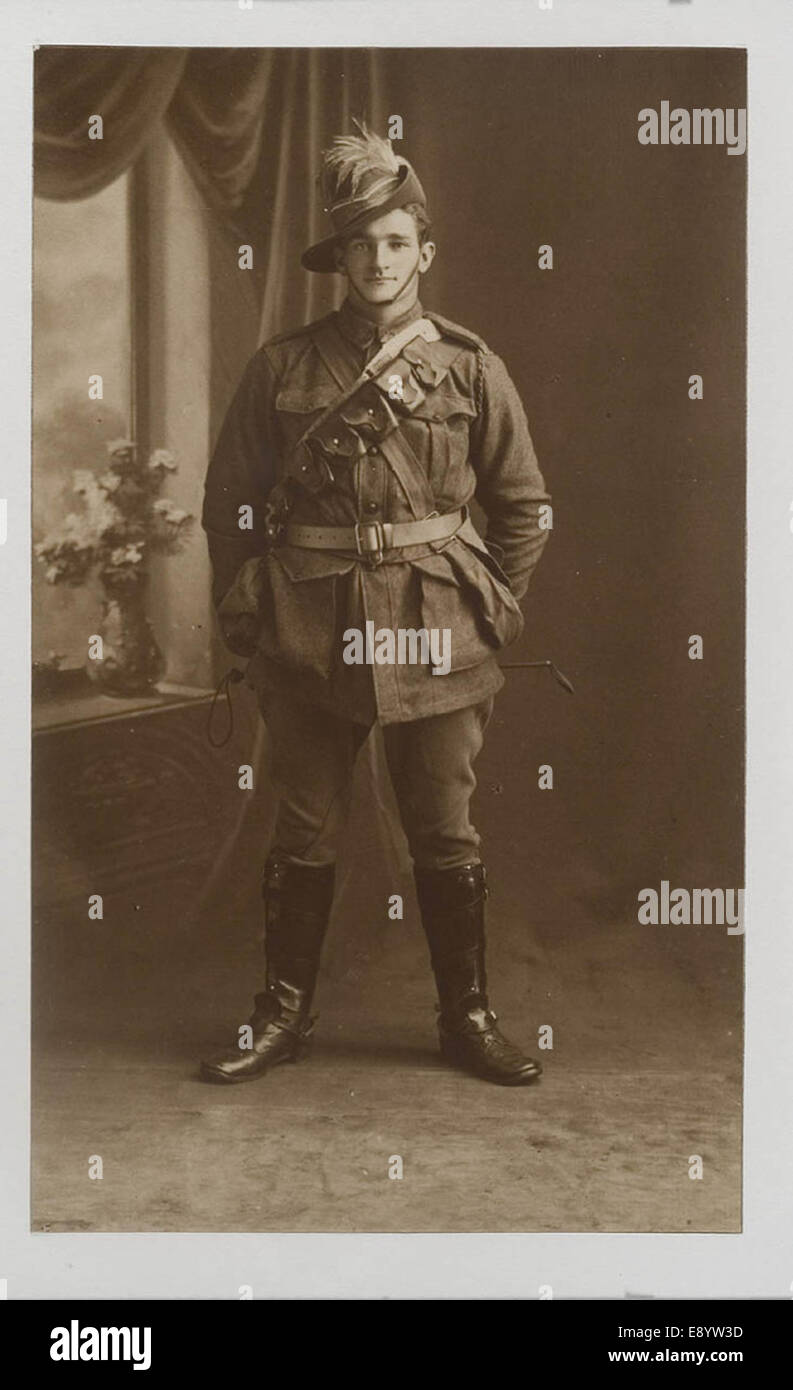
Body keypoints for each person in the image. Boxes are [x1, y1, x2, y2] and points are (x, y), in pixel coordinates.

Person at [199, 125, 551, 1087]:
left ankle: (466, 1016)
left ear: (422, 252)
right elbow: (228, 503)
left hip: (437, 632)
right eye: (361, 246)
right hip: (309, 629)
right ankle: (280, 1018)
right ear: (338, 260)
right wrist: (248, 613)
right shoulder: (281, 368)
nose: (378, 261)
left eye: (396, 242)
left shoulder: (470, 366)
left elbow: (520, 504)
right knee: (303, 822)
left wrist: (488, 609)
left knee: (444, 827)